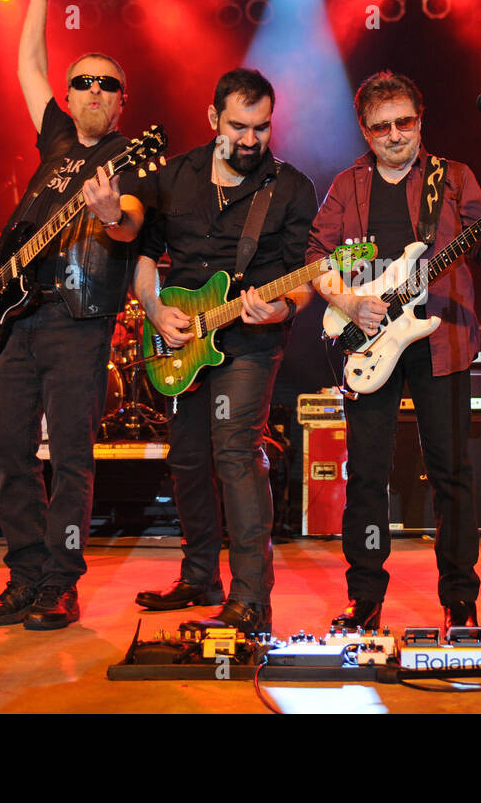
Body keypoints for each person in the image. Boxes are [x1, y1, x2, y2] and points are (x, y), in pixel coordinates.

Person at [308, 70, 481, 637]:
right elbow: (315, 255)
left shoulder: (453, 179)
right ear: (364, 130)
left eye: (404, 121)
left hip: (441, 341)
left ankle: (460, 601)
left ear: (420, 120)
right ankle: (365, 600)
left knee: (452, 475)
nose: (395, 135)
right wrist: (349, 300)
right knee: (367, 477)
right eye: (381, 126)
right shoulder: (346, 184)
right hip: (369, 341)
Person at [0, 0, 149, 630]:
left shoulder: (133, 156)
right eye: (85, 82)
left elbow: (134, 218)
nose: (95, 92)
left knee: (71, 457)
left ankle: (63, 581)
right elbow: (25, 67)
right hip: (19, 321)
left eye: (109, 85)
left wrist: (113, 215)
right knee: (10, 452)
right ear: (70, 94)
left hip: (81, 322)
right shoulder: (54, 141)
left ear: (121, 100)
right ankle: (24, 574)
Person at [132, 68, 317, 637]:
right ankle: (198, 576)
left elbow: (304, 278)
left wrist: (284, 308)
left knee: (235, 453)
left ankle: (251, 598)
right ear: (213, 118)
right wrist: (155, 310)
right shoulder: (176, 176)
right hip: (181, 342)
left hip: (250, 342)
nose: (249, 139)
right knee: (188, 459)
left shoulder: (289, 187)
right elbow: (143, 257)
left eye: (261, 128)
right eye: (238, 125)